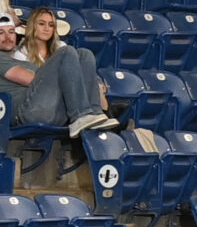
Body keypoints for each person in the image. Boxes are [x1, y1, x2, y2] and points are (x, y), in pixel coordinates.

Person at [0, 9, 117, 138]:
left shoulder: (17, 55)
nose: (7, 37)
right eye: (1, 33)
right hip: (27, 113)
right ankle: (80, 115)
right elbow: (31, 80)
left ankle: (94, 113)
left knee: (85, 54)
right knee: (66, 52)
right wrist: (67, 77)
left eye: (11, 32)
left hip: (51, 110)